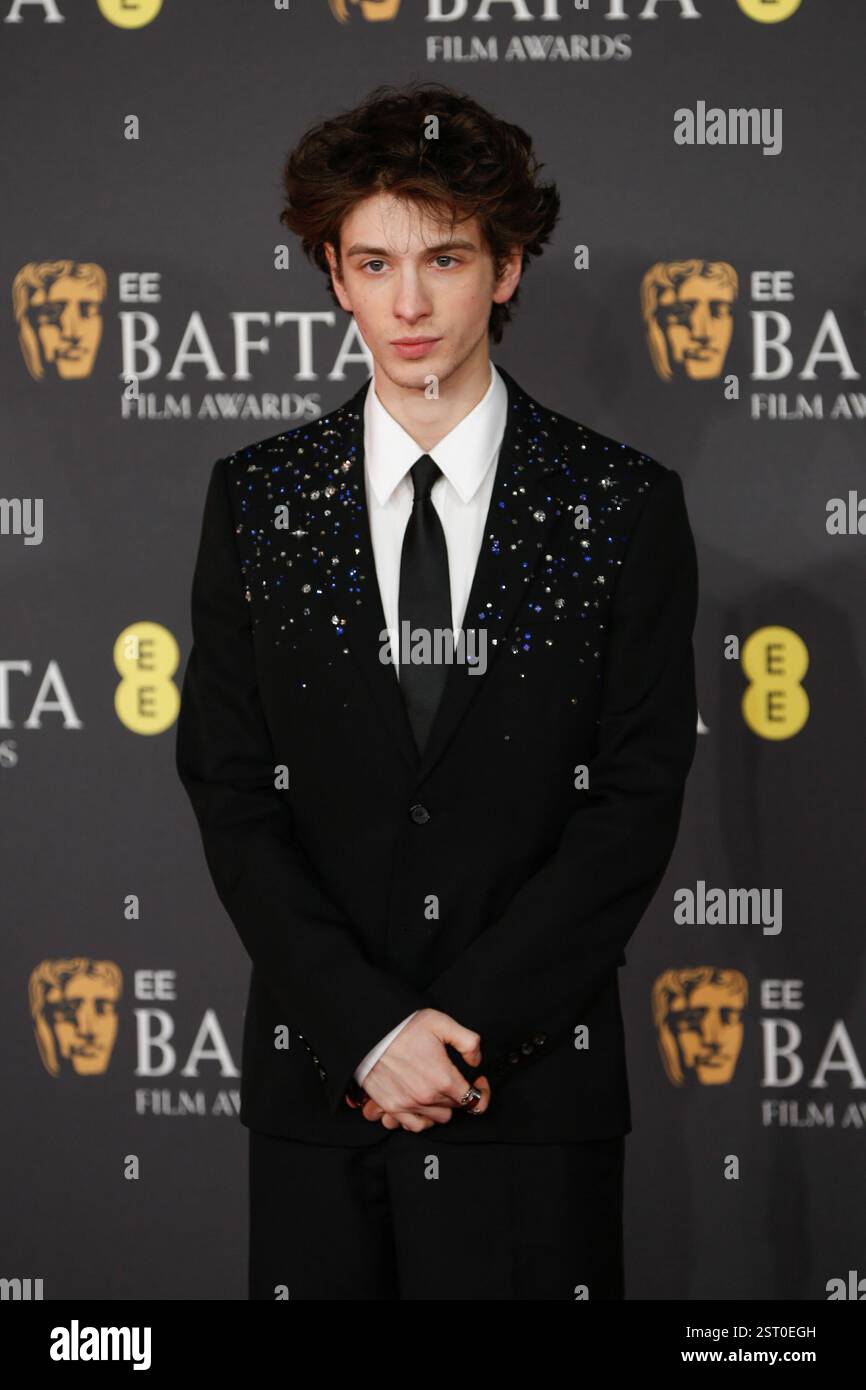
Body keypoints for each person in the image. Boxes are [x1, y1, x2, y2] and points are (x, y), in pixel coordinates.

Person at [175, 81, 699, 1300]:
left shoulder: (619, 504)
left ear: (507, 268)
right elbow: (231, 790)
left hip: (532, 1097)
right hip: (321, 1094)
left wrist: (455, 1034)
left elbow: (632, 800)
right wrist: (365, 1026)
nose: (407, 302)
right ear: (333, 271)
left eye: (445, 257)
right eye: (373, 261)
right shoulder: (257, 500)